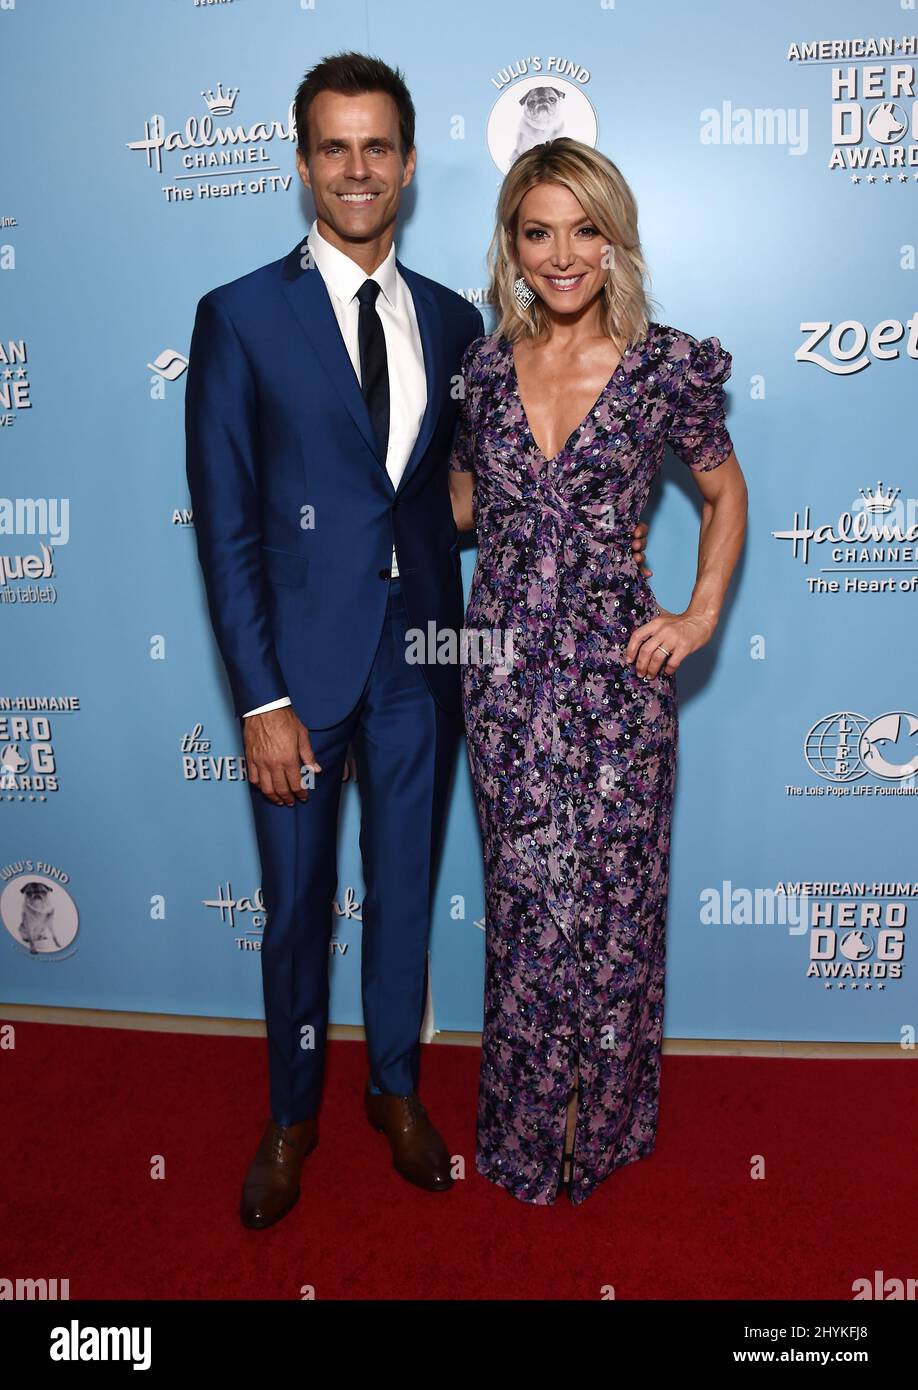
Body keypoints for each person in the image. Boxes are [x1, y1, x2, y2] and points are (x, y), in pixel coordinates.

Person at [185, 51, 653, 1230]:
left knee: (404, 891)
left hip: (431, 665)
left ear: (406, 164)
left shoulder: (457, 322)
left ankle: (394, 1088)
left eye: (378, 147)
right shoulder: (239, 316)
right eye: (334, 148)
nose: (357, 169)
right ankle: (292, 1115)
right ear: (303, 164)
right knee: (296, 908)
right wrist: (259, 699)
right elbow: (228, 524)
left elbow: (473, 486)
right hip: (297, 676)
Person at [448, 137, 748, 1206]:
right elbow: (466, 506)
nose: (562, 254)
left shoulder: (668, 365)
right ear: (512, 245)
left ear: (615, 238)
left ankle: (604, 1125)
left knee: (618, 911)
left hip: (619, 680)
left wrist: (699, 614)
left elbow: (722, 493)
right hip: (506, 680)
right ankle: (532, 1133)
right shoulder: (482, 369)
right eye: (538, 231)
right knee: (528, 911)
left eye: (584, 229)